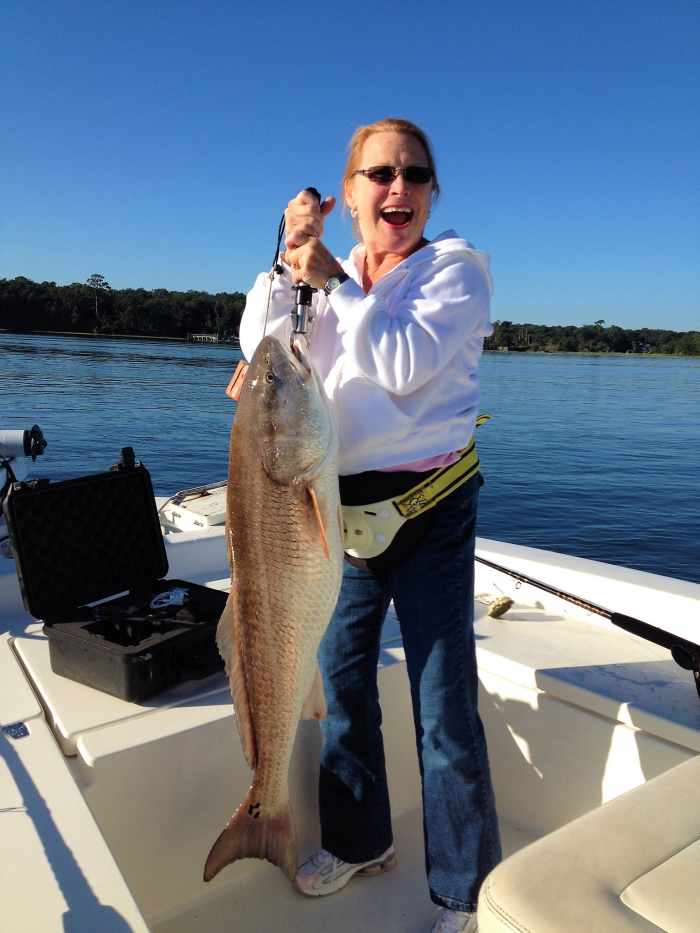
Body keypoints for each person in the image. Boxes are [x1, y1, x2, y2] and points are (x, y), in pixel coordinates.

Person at [239, 117, 501, 933]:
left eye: (416, 175)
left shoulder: (456, 272)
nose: (400, 189)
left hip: (430, 512)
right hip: (333, 513)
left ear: (432, 193)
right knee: (342, 688)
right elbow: (260, 348)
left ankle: (466, 892)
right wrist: (290, 265)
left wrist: (339, 288)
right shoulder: (328, 274)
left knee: (443, 705)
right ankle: (360, 840)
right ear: (348, 194)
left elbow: (401, 363)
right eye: (380, 174)